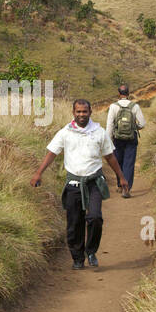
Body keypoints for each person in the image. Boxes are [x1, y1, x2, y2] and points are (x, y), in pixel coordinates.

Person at [30, 98, 128, 270]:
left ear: (90, 112)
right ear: (73, 113)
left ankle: (91, 251)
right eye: (78, 112)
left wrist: (121, 177)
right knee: (74, 223)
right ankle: (77, 258)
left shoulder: (99, 132)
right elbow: (52, 153)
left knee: (95, 218)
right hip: (73, 183)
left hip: (94, 182)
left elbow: (110, 156)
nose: (81, 115)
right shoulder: (65, 133)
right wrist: (39, 173)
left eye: (84, 111)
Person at [105, 84, 145, 198]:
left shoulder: (113, 106)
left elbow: (109, 126)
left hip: (117, 139)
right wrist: (134, 127)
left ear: (119, 94)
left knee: (118, 162)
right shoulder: (135, 106)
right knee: (129, 163)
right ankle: (126, 189)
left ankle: (120, 185)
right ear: (128, 94)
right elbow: (142, 123)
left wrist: (108, 140)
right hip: (131, 139)